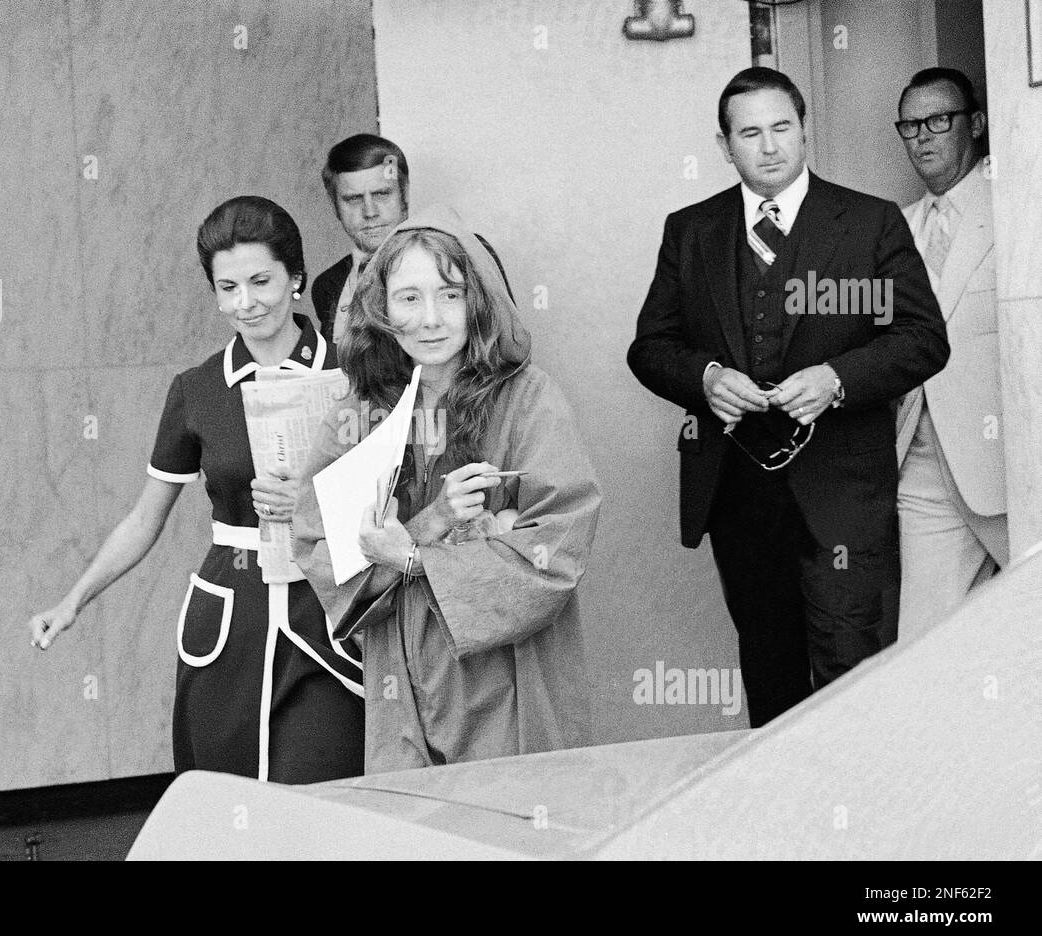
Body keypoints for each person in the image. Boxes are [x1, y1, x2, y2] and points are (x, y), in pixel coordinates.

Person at [627, 67, 949, 728]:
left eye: (781, 128)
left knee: (848, 669)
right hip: (738, 494)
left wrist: (837, 377)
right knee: (769, 672)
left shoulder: (869, 223)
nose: (769, 146)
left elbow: (924, 339)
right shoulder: (691, 231)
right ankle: (787, 824)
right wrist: (709, 377)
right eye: (750, 133)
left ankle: (856, 819)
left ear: (804, 131)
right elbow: (650, 347)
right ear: (724, 145)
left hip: (842, 493)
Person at [28, 196, 363, 783]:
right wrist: (73, 599)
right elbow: (144, 518)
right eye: (227, 287)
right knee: (231, 813)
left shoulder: (356, 377)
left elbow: (392, 496)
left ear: (296, 279)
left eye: (260, 281)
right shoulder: (197, 389)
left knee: (316, 797)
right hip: (230, 623)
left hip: (327, 617)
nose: (246, 302)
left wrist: (313, 509)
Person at [293, 206, 602, 774]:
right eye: (408, 298)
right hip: (402, 668)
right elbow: (317, 542)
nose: (430, 318)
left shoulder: (530, 399)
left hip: (508, 669)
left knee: (511, 824)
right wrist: (426, 528)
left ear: (478, 301)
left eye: (450, 295)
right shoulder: (360, 412)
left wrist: (413, 558)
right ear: (380, 308)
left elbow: (558, 543)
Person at [893, 67, 1008, 639]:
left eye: (938, 120)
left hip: (1011, 461)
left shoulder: (1019, 205)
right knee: (924, 642)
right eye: (910, 125)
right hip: (921, 462)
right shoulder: (897, 228)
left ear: (978, 124)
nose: (922, 136)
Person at [312, 133, 513, 342]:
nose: (370, 211)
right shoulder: (328, 284)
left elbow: (507, 349)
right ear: (334, 204)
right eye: (353, 199)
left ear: (404, 193)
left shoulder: (464, 250)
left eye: (382, 194)